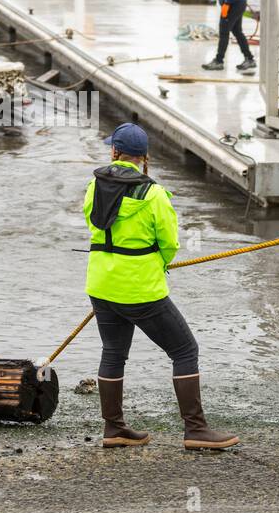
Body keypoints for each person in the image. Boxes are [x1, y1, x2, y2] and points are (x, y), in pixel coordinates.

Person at [84, 122, 238, 450]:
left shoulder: (94, 185)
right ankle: (195, 429)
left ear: (114, 151)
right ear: (144, 157)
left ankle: (114, 429)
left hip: (100, 284)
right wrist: (161, 263)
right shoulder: (153, 194)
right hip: (141, 288)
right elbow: (169, 242)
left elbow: (91, 221)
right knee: (184, 350)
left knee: (113, 352)